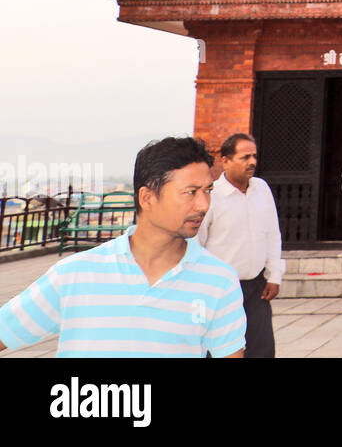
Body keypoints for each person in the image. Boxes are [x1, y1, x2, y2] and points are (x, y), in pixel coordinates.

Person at [0, 137, 245, 357]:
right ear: (147, 198)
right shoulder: (75, 274)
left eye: (207, 191)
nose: (203, 205)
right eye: (190, 192)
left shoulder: (219, 280)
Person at [197, 132, 283, 358]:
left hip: (257, 287)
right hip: (221, 290)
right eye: (245, 157)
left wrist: (274, 276)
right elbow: (197, 242)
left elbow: (273, 234)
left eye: (254, 156)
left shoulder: (262, 189)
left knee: (262, 350)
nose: (252, 162)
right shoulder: (211, 197)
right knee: (219, 350)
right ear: (225, 160)